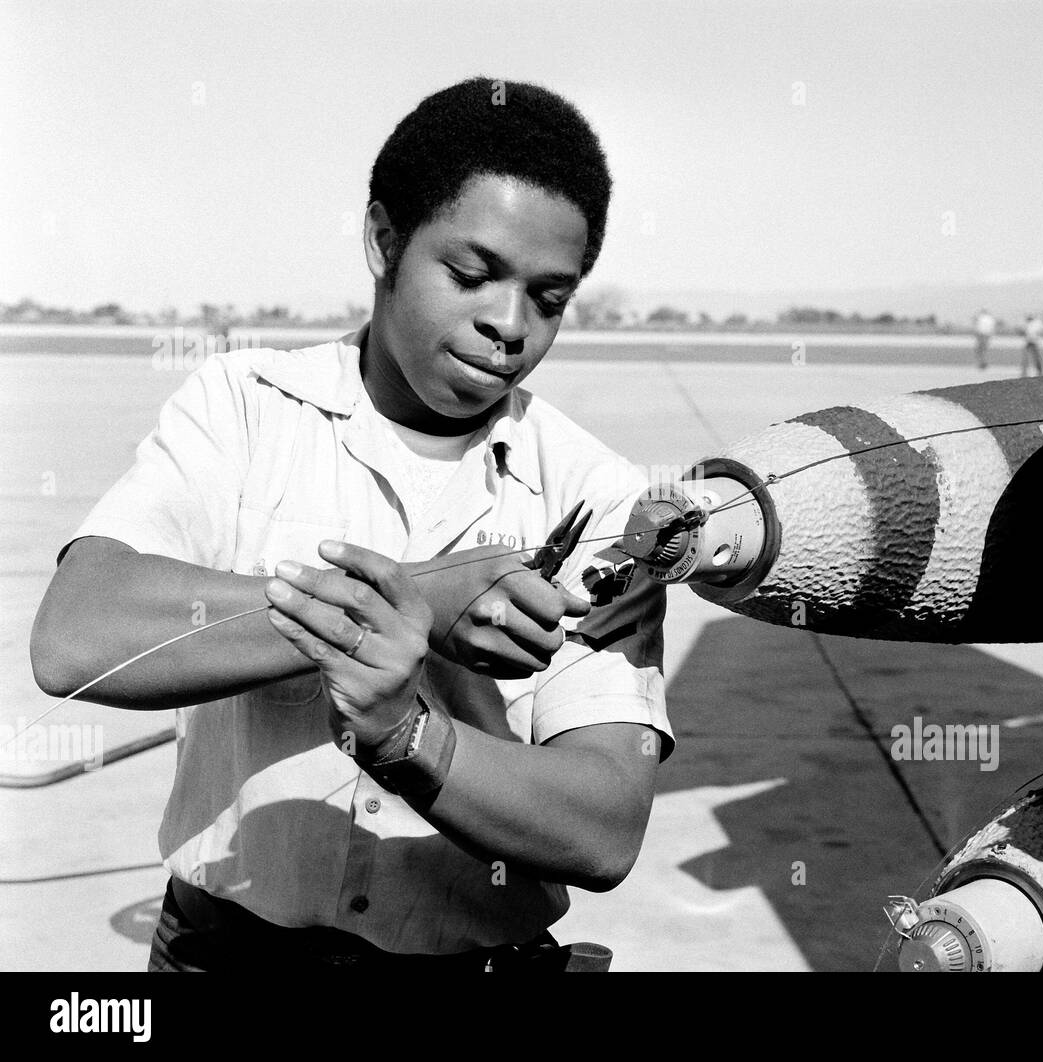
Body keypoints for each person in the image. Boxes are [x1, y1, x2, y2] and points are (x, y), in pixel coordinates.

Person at [29, 78, 672, 972]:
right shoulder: (243, 410)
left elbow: (602, 829)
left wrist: (412, 737)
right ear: (382, 240)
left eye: (551, 298)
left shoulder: (597, 499)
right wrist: (411, 604)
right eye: (472, 274)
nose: (508, 325)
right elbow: (76, 637)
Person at [1021, 311, 1043, 377]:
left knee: (1037, 357)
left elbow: (1041, 331)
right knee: (1025, 357)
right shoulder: (1028, 323)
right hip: (1028, 341)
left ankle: (1040, 371)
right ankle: (1024, 372)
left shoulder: (1038, 323)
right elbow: (1025, 332)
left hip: (1035, 342)